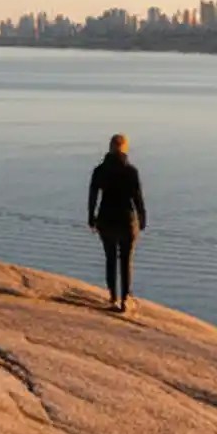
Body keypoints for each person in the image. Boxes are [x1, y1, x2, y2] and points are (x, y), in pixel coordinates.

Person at [88, 133, 146, 313]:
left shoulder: (99, 170)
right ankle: (125, 298)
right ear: (125, 148)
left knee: (110, 258)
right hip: (127, 220)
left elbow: (93, 196)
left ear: (110, 147)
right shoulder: (131, 171)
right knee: (126, 259)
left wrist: (91, 217)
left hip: (106, 219)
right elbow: (137, 198)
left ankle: (113, 296)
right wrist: (142, 218)